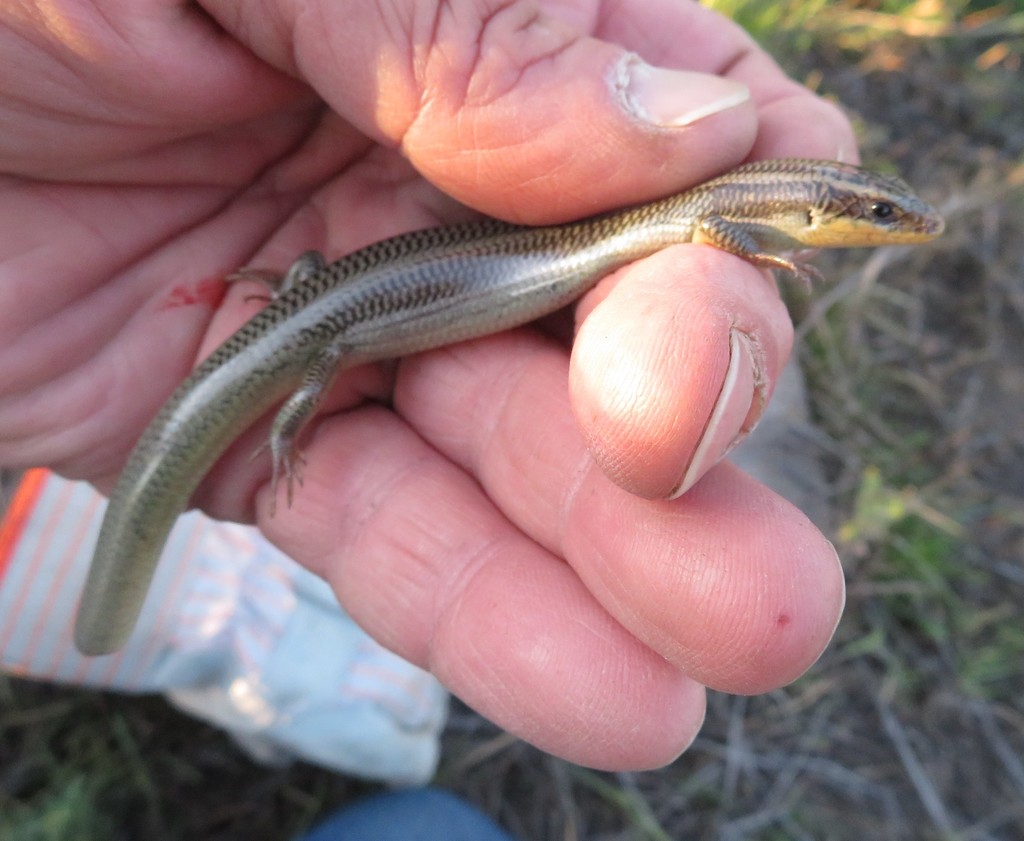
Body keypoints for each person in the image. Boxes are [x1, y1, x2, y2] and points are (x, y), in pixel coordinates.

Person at [0, 0, 851, 774]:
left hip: (334, 296)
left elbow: (704, 219)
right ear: (808, 211)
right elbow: (706, 221)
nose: (890, 227)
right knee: (317, 362)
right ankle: (123, 601)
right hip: (325, 328)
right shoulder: (718, 206)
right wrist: (288, 425)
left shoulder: (720, 201)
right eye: (877, 217)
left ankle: (105, 623)